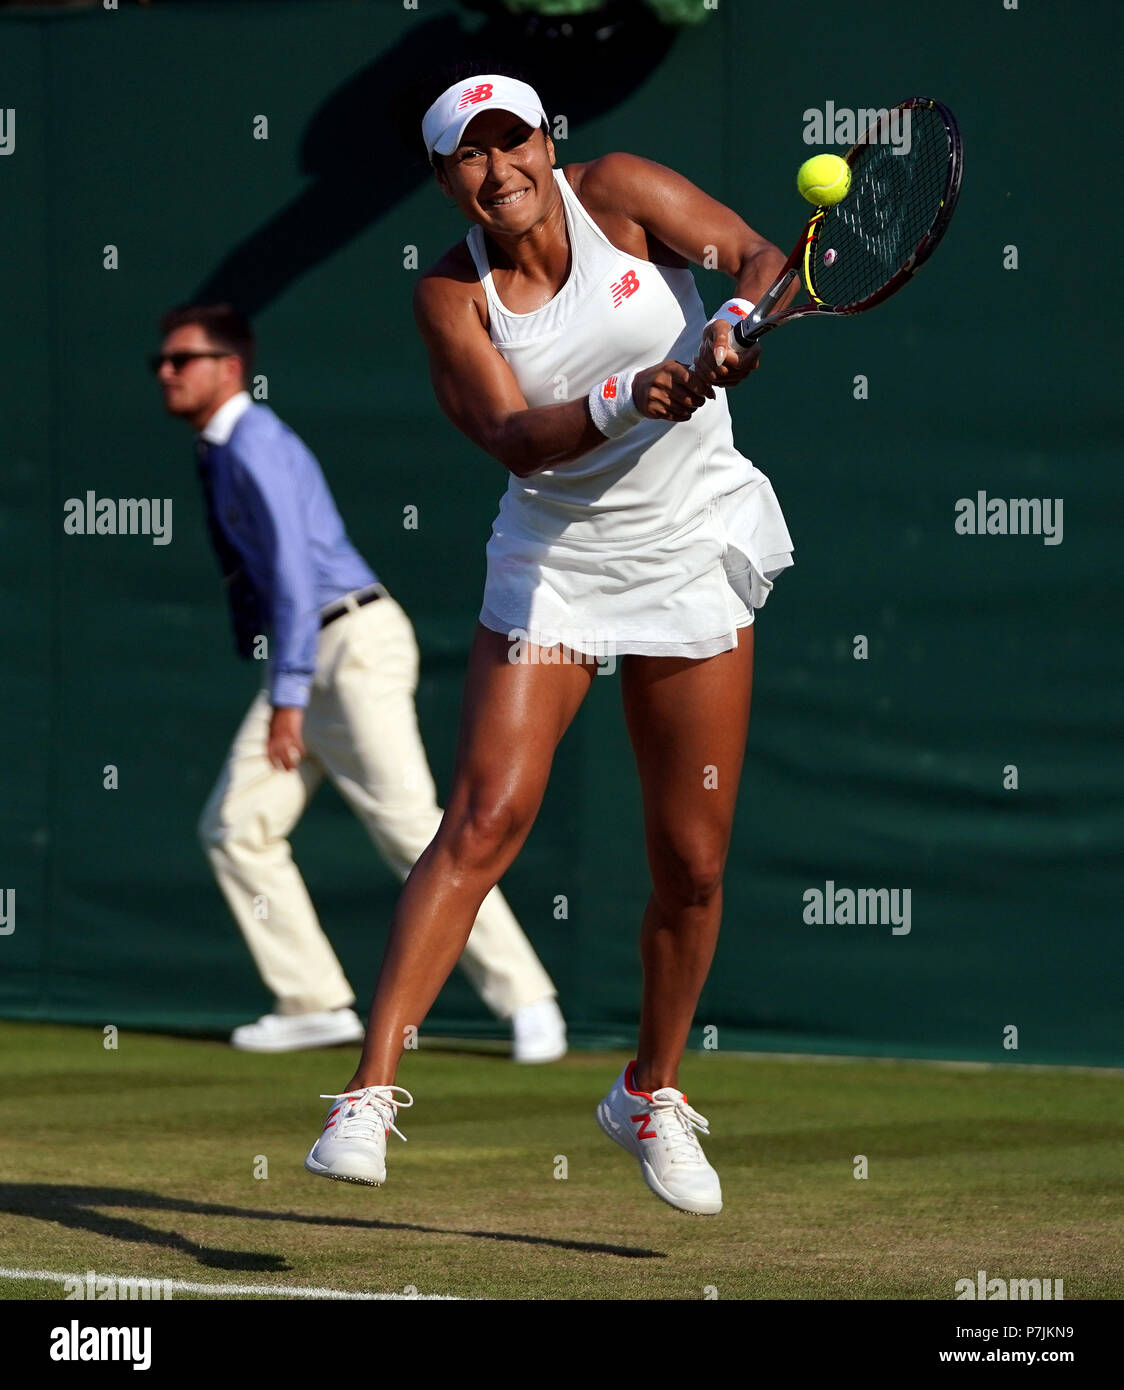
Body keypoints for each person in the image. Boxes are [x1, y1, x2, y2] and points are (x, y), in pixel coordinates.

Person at [303, 73, 795, 1215]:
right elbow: (513, 436)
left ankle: (648, 1094)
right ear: (441, 180)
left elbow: (756, 255)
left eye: (510, 140)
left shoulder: (618, 193)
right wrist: (634, 394)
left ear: (543, 140)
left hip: (690, 545)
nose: (497, 168)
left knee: (693, 860)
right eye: (467, 156)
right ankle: (367, 1092)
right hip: (555, 566)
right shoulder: (449, 295)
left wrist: (729, 322)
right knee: (483, 819)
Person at [153, 303, 568, 1063]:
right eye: (163, 362)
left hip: (348, 646)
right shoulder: (218, 448)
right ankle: (312, 1000)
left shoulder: (254, 444)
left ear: (230, 367)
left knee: (413, 827)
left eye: (183, 359)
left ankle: (530, 1001)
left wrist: (288, 697)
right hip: (311, 653)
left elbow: (289, 574)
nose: (167, 373)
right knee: (236, 824)